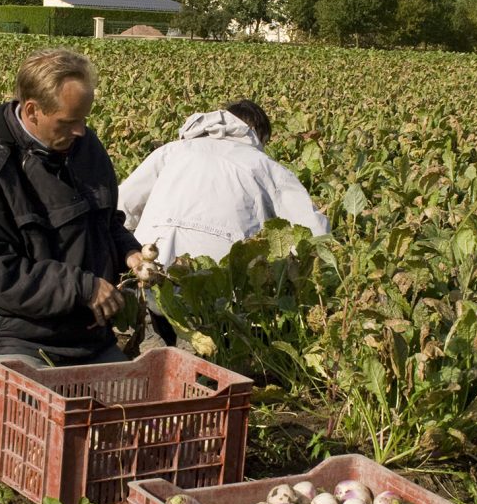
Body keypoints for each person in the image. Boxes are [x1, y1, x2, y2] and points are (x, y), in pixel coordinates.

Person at [0, 49, 143, 415]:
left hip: (83, 334)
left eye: (83, 120)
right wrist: (83, 287)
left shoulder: (83, 146)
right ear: (32, 111)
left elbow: (106, 220)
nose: (80, 130)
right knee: (37, 416)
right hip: (11, 334)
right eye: (67, 122)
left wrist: (130, 251)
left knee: (129, 414)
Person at [118, 99, 330, 344]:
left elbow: (121, 207)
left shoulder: (173, 150)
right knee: (209, 345)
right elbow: (314, 234)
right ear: (257, 135)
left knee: (156, 339)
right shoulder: (266, 166)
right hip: (218, 289)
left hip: (150, 272)